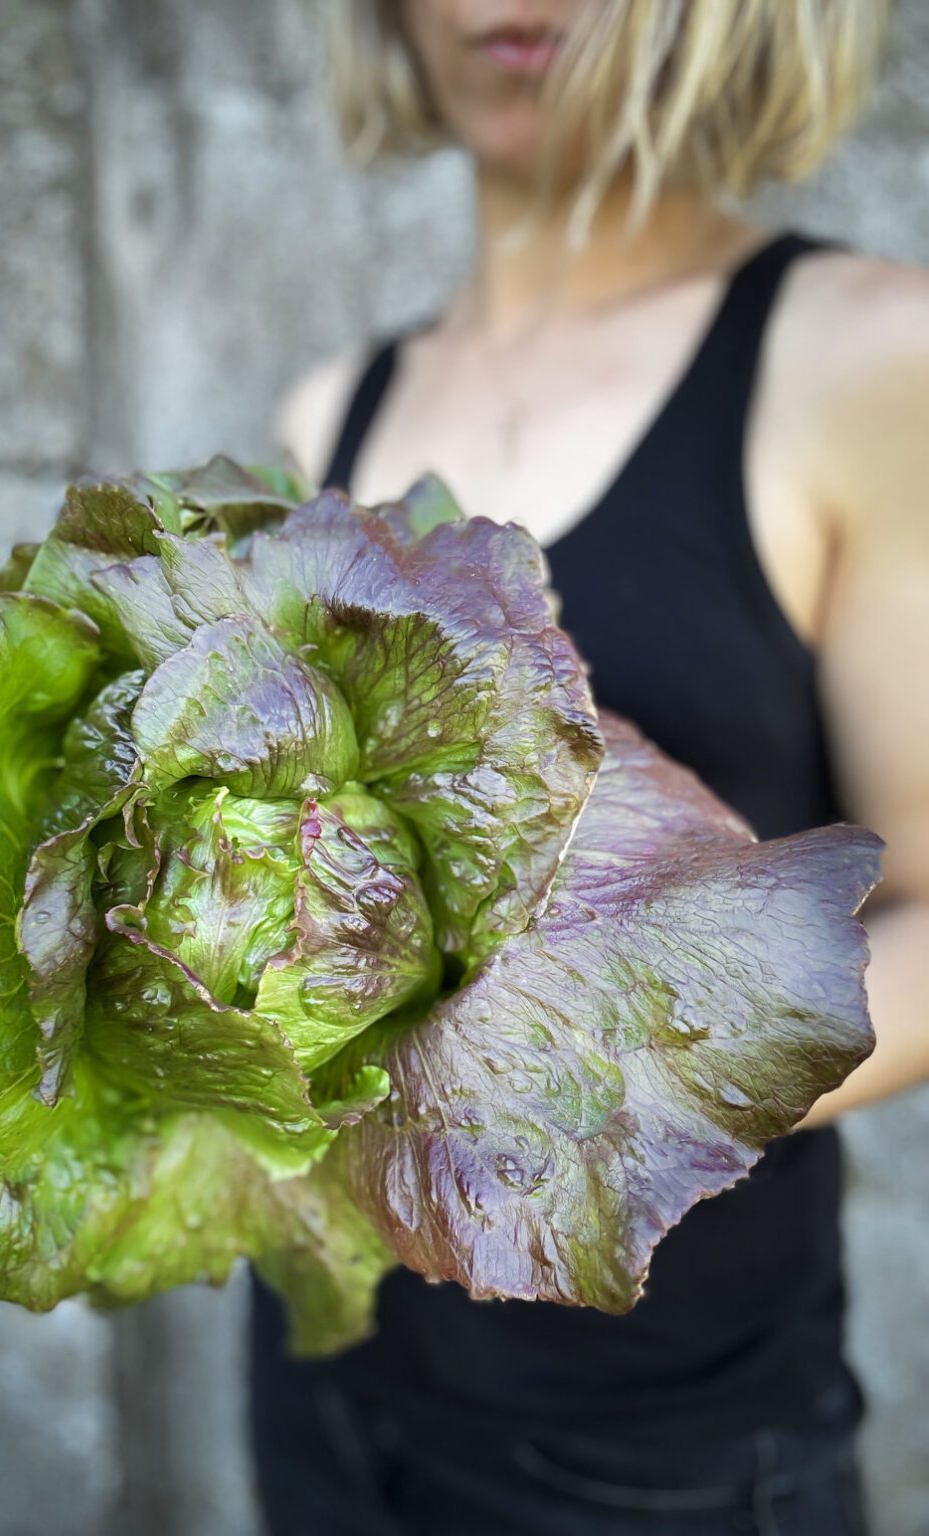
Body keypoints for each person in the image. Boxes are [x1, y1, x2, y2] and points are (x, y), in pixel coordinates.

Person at [249, 3, 929, 1533]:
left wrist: (593, 1082)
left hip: (656, 1443)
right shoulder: (329, 410)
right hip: (324, 1380)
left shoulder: (873, 359)